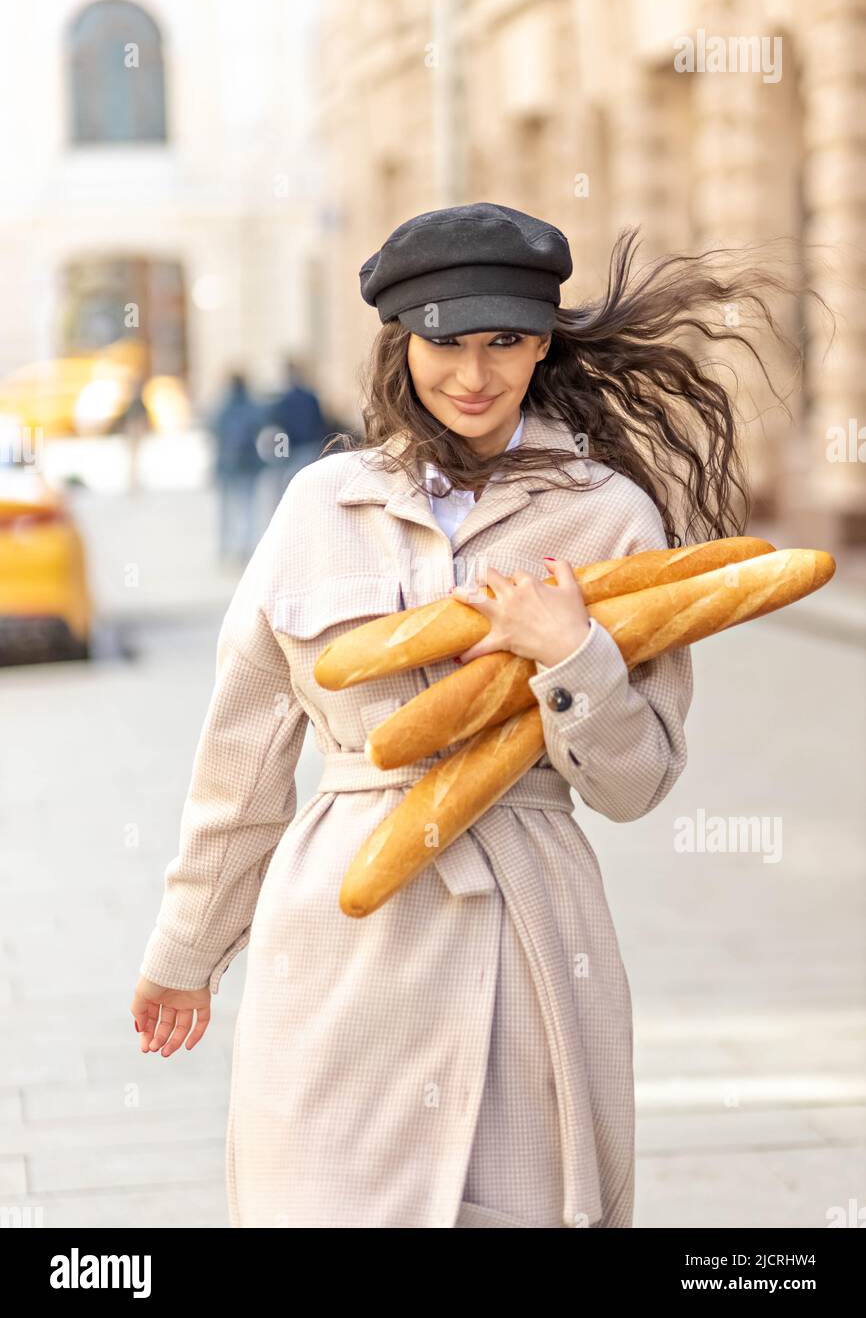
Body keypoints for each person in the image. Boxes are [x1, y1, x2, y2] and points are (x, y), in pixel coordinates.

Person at [131, 202, 817, 1228]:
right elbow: (242, 753)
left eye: (507, 341)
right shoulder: (321, 507)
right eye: (446, 342)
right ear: (400, 342)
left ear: (543, 343)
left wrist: (572, 654)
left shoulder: (608, 514)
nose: (475, 374)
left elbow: (633, 784)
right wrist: (186, 954)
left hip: (529, 930)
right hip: (340, 935)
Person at [259, 356, 329, 515]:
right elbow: (320, 421)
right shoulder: (310, 397)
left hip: (291, 447)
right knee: (307, 480)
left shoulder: (283, 399)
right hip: (309, 444)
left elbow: (277, 426)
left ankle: (292, 513)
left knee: (288, 483)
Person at [210, 371, 264, 564]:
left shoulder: (222, 408)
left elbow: (213, 433)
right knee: (249, 507)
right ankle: (246, 547)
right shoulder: (252, 407)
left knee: (225, 510)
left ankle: (225, 548)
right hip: (249, 465)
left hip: (227, 466)